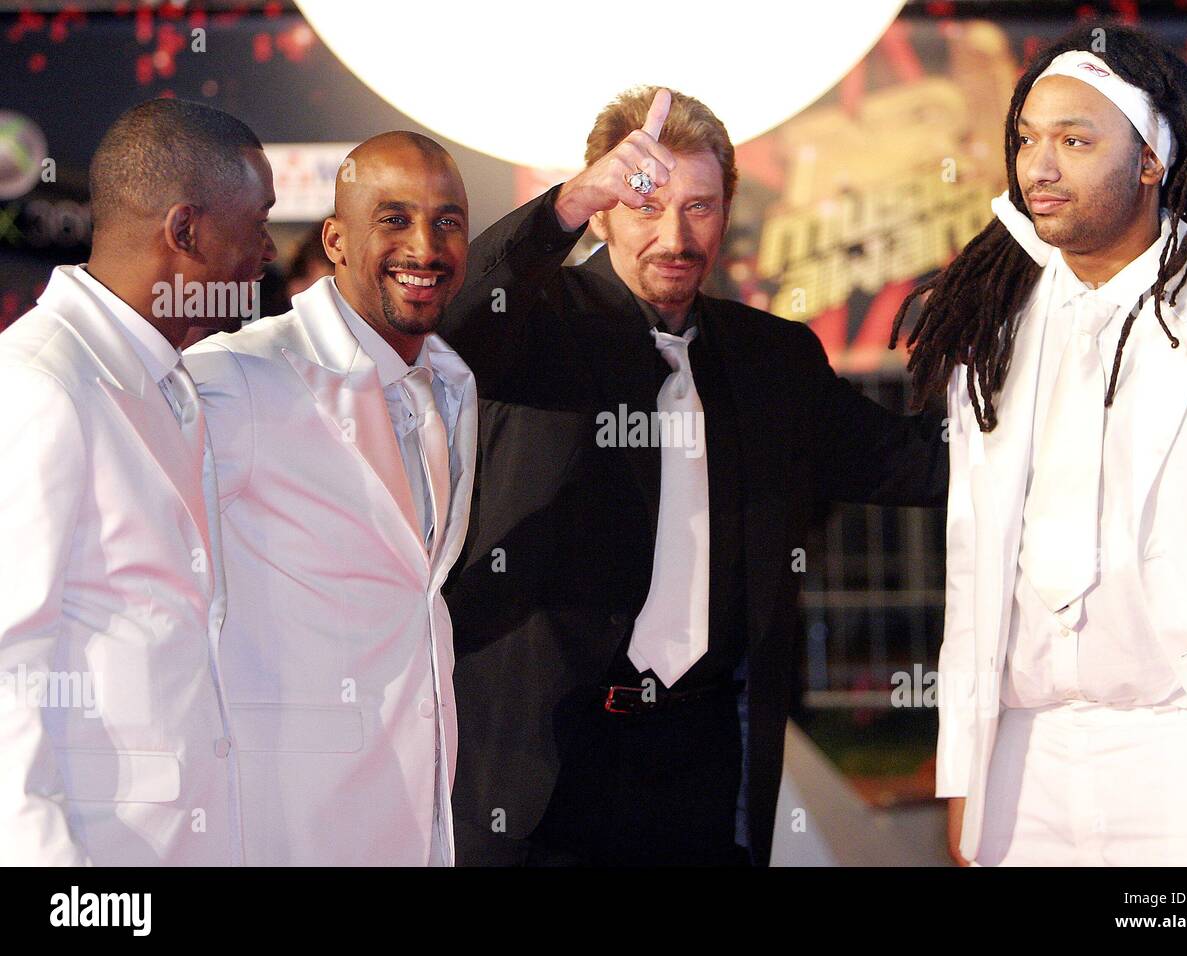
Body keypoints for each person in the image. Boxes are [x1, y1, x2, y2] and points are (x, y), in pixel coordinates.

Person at [440, 87, 948, 866]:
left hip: (705, 760)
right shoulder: (535, 327)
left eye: (700, 208)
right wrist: (566, 203)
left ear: (729, 210)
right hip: (540, 769)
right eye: (646, 205)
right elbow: (454, 315)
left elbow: (913, 462)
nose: (674, 236)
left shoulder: (772, 358)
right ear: (604, 211)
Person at [891, 24, 1187, 866]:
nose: (1039, 167)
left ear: (1153, 160)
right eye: (1027, 140)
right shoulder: (991, 327)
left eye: (1075, 141)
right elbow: (974, 565)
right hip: (1026, 761)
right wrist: (966, 763)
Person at [185, 132, 475, 866]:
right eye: (395, 219)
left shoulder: (454, 385)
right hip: (287, 823)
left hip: (421, 815)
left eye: (447, 221)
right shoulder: (240, 376)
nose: (425, 245)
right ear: (337, 240)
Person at [0, 99, 276, 865]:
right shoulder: (40, 386)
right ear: (185, 231)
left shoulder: (169, 379)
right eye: (257, 223)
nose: (266, 253)